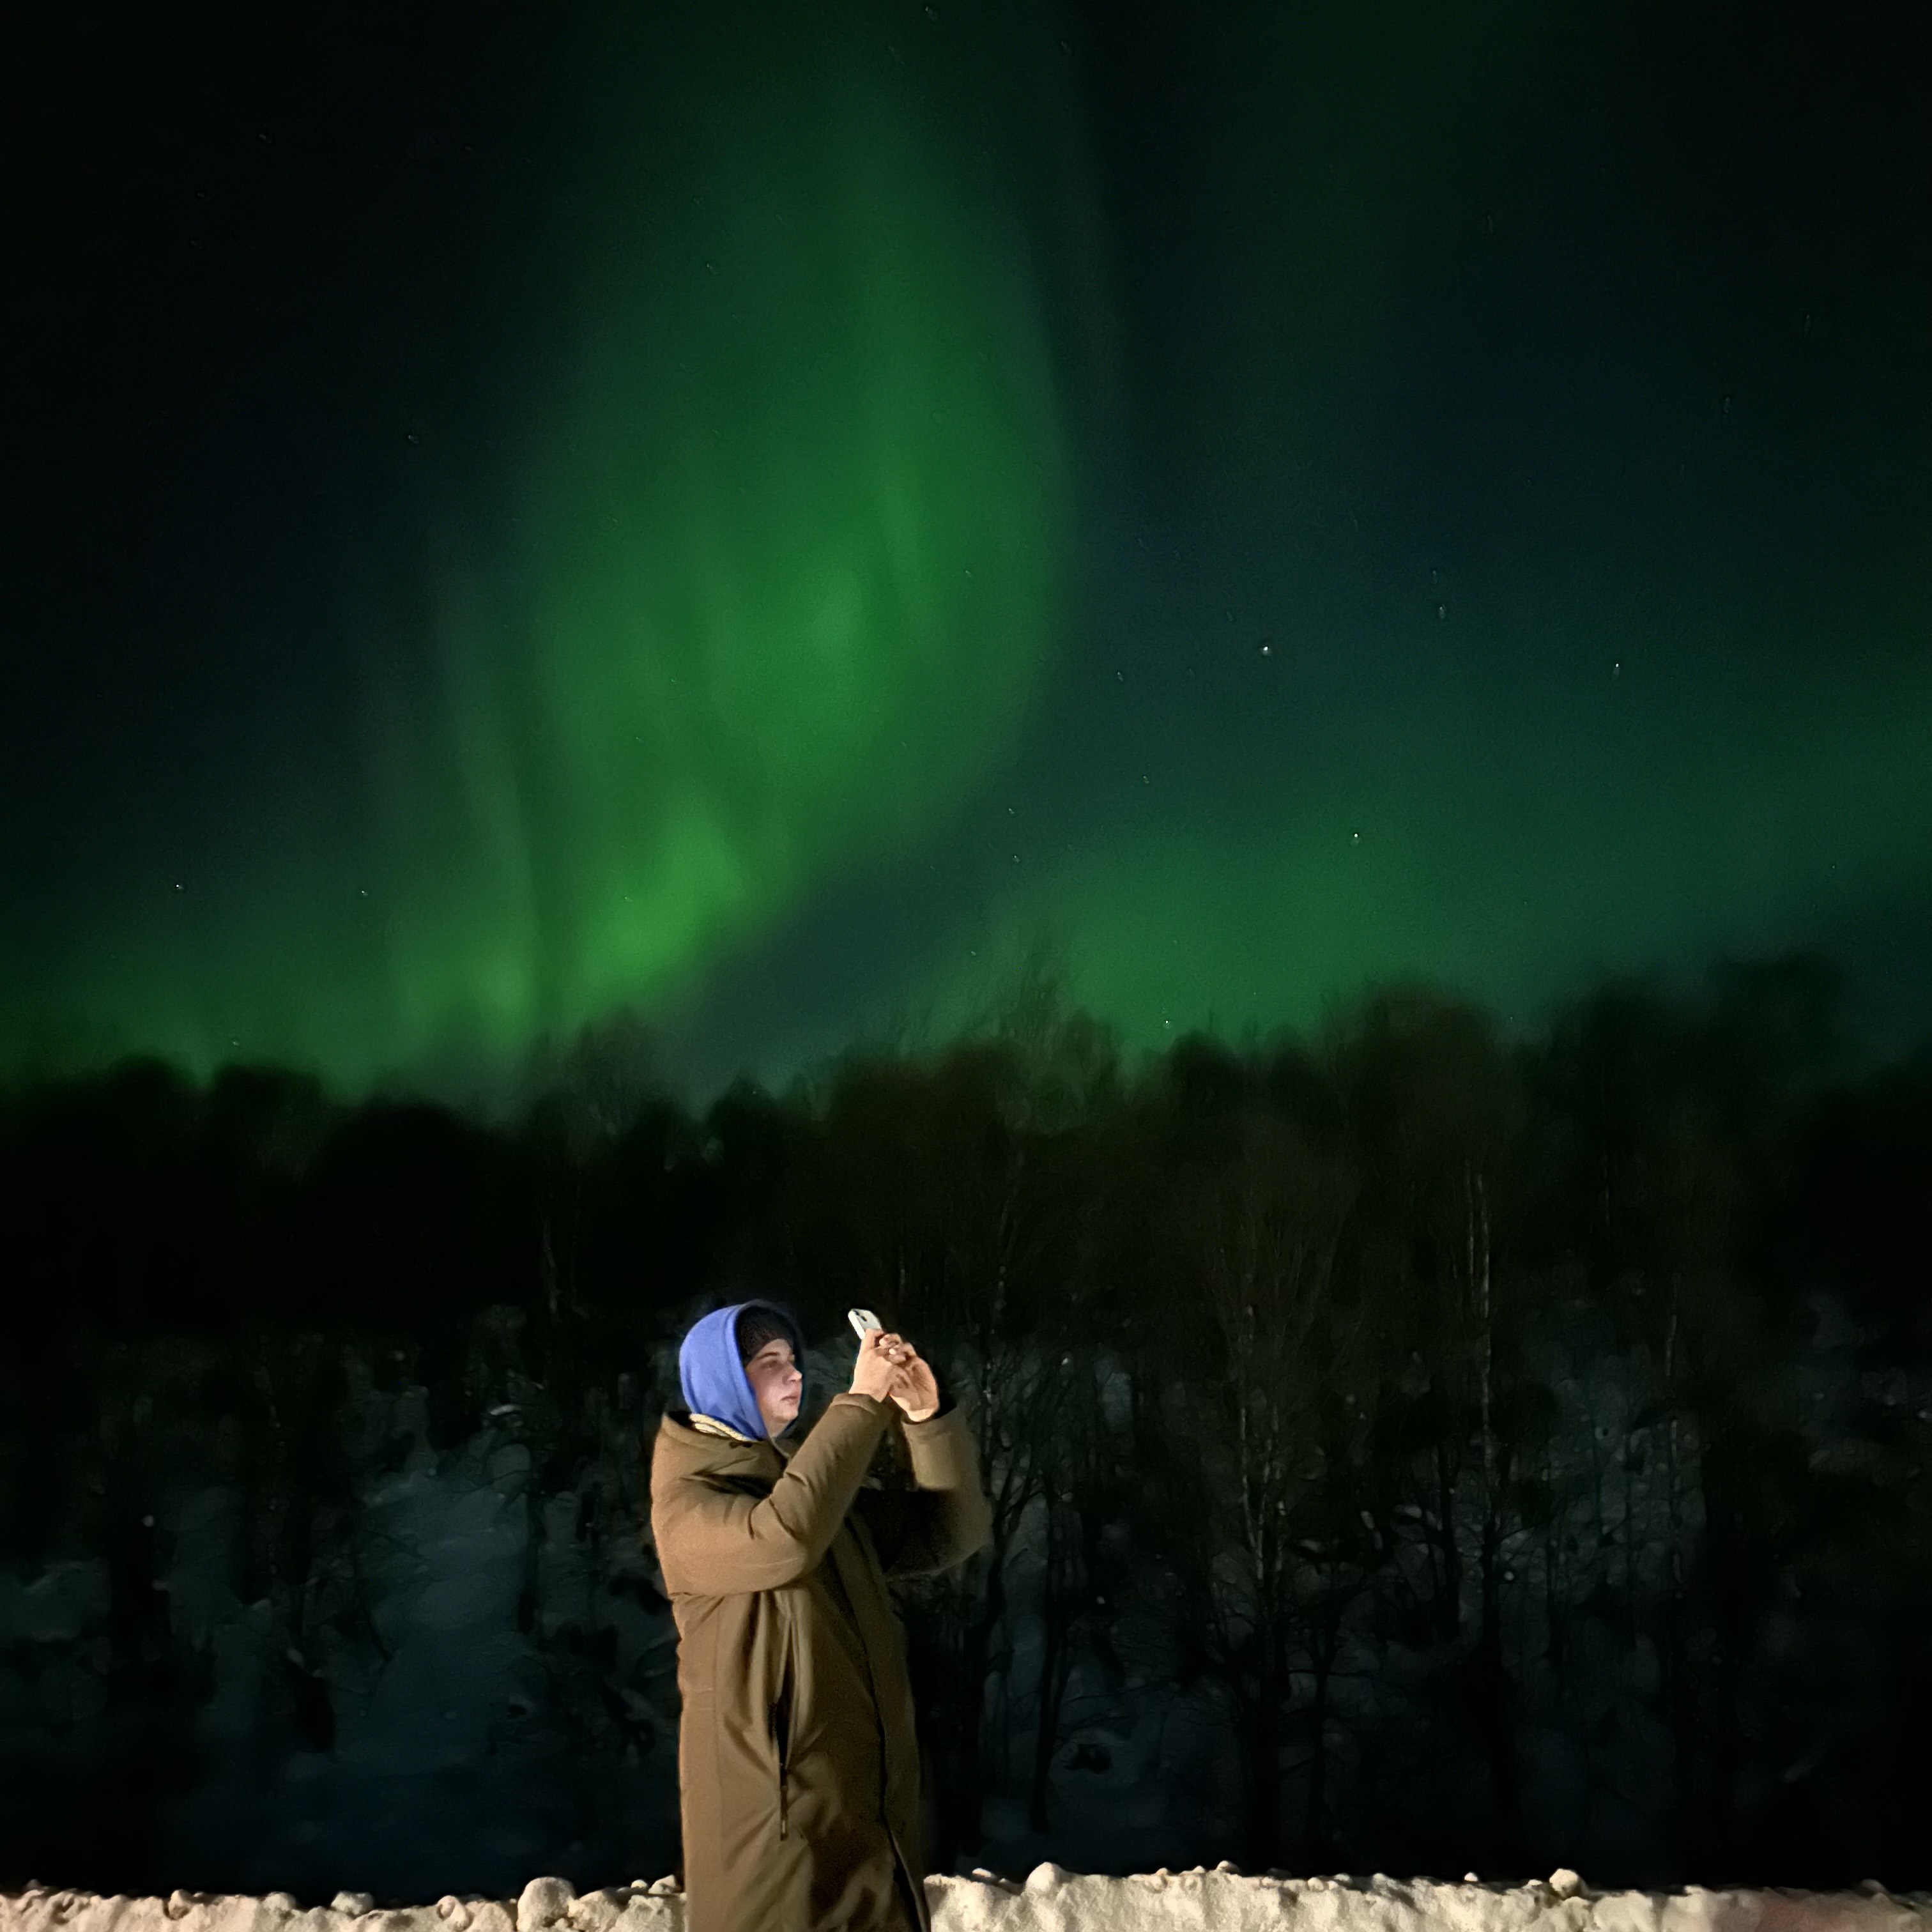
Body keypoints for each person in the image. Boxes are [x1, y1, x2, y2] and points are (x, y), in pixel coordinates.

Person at [649, 1300, 992, 1932]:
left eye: (795, 1359)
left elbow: (949, 1532)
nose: (795, 1374)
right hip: (774, 1851)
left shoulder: (803, 1489)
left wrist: (924, 1417)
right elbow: (784, 1540)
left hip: (862, 1829)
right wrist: (862, 1401)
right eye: (768, 1362)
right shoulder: (690, 1505)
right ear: (723, 1379)